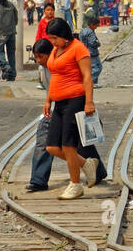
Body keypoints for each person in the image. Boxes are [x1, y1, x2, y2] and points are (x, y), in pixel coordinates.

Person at [27, 37, 107, 193]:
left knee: (79, 143)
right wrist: (48, 102)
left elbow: (85, 79)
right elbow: (51, 87)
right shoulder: (43, 68)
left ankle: (95, 172)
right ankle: (38, 180)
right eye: (36, 57)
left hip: (73, 106)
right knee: (47, 143)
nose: (38, 61)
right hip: (56, 109)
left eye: (40, 57)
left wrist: (88, 103)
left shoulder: (64, 63)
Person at [42, 19, 98, 200]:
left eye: (55, 38)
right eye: (50, 38)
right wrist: (48, 100)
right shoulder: (56, 50)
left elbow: (87, 76)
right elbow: (55, 76)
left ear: (65, 36)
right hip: (58, 102)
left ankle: (75, 184)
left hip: (75, 100)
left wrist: (89, 102)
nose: (53, 42)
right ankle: (86, 164)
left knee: (68, 145)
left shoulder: (78, 48)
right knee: (52, 146)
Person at [78, 12, 103, 87]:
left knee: (90, 68)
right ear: (92, 25)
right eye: (96, 25)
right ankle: (89, 81)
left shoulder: (83, 31)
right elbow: (93, 43)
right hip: (92, 53)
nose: (97, 27)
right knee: (98, 68)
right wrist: (98, 43)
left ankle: (93, 83)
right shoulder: (90, 32)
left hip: (84, 52)